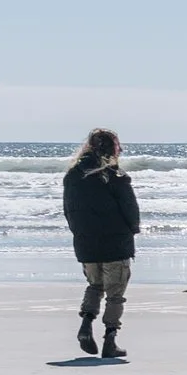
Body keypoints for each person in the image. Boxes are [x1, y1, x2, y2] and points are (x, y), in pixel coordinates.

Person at [62, 126, 141, 358]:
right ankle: (110, 339)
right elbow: (131, 210)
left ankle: (86, 325)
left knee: (95, 286)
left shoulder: (72, 176)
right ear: (114, 149)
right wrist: (133, 230)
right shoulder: (116, 177)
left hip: (86, 242)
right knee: (115, 294)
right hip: (115, 242)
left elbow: (68, 211)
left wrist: (79, 233)